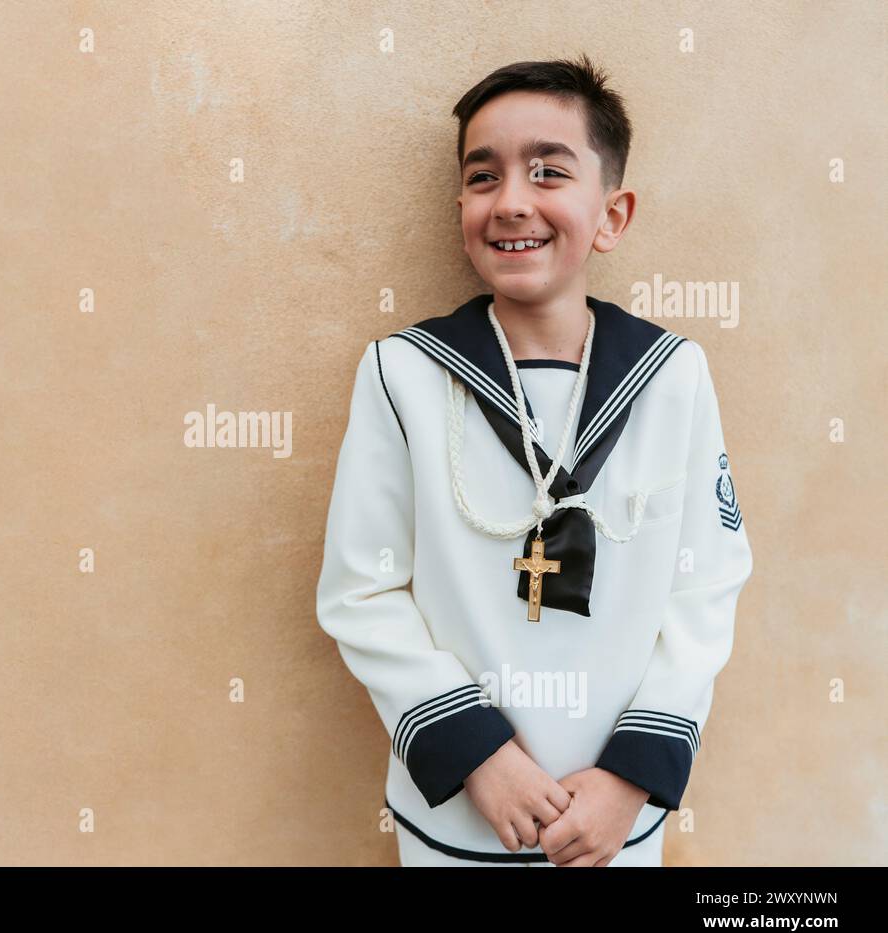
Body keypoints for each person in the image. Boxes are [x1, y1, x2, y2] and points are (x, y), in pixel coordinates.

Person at [314, 55, 753, 867]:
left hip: (615, 822)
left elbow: (706, 586)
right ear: (461, 209)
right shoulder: (403, 375)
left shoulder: (672, 377)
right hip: (457, 823)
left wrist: (631, 776)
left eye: (549, 170)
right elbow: (362, 591)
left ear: (612, 215)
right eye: (484, 177)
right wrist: (479, 756)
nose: (512, 200)